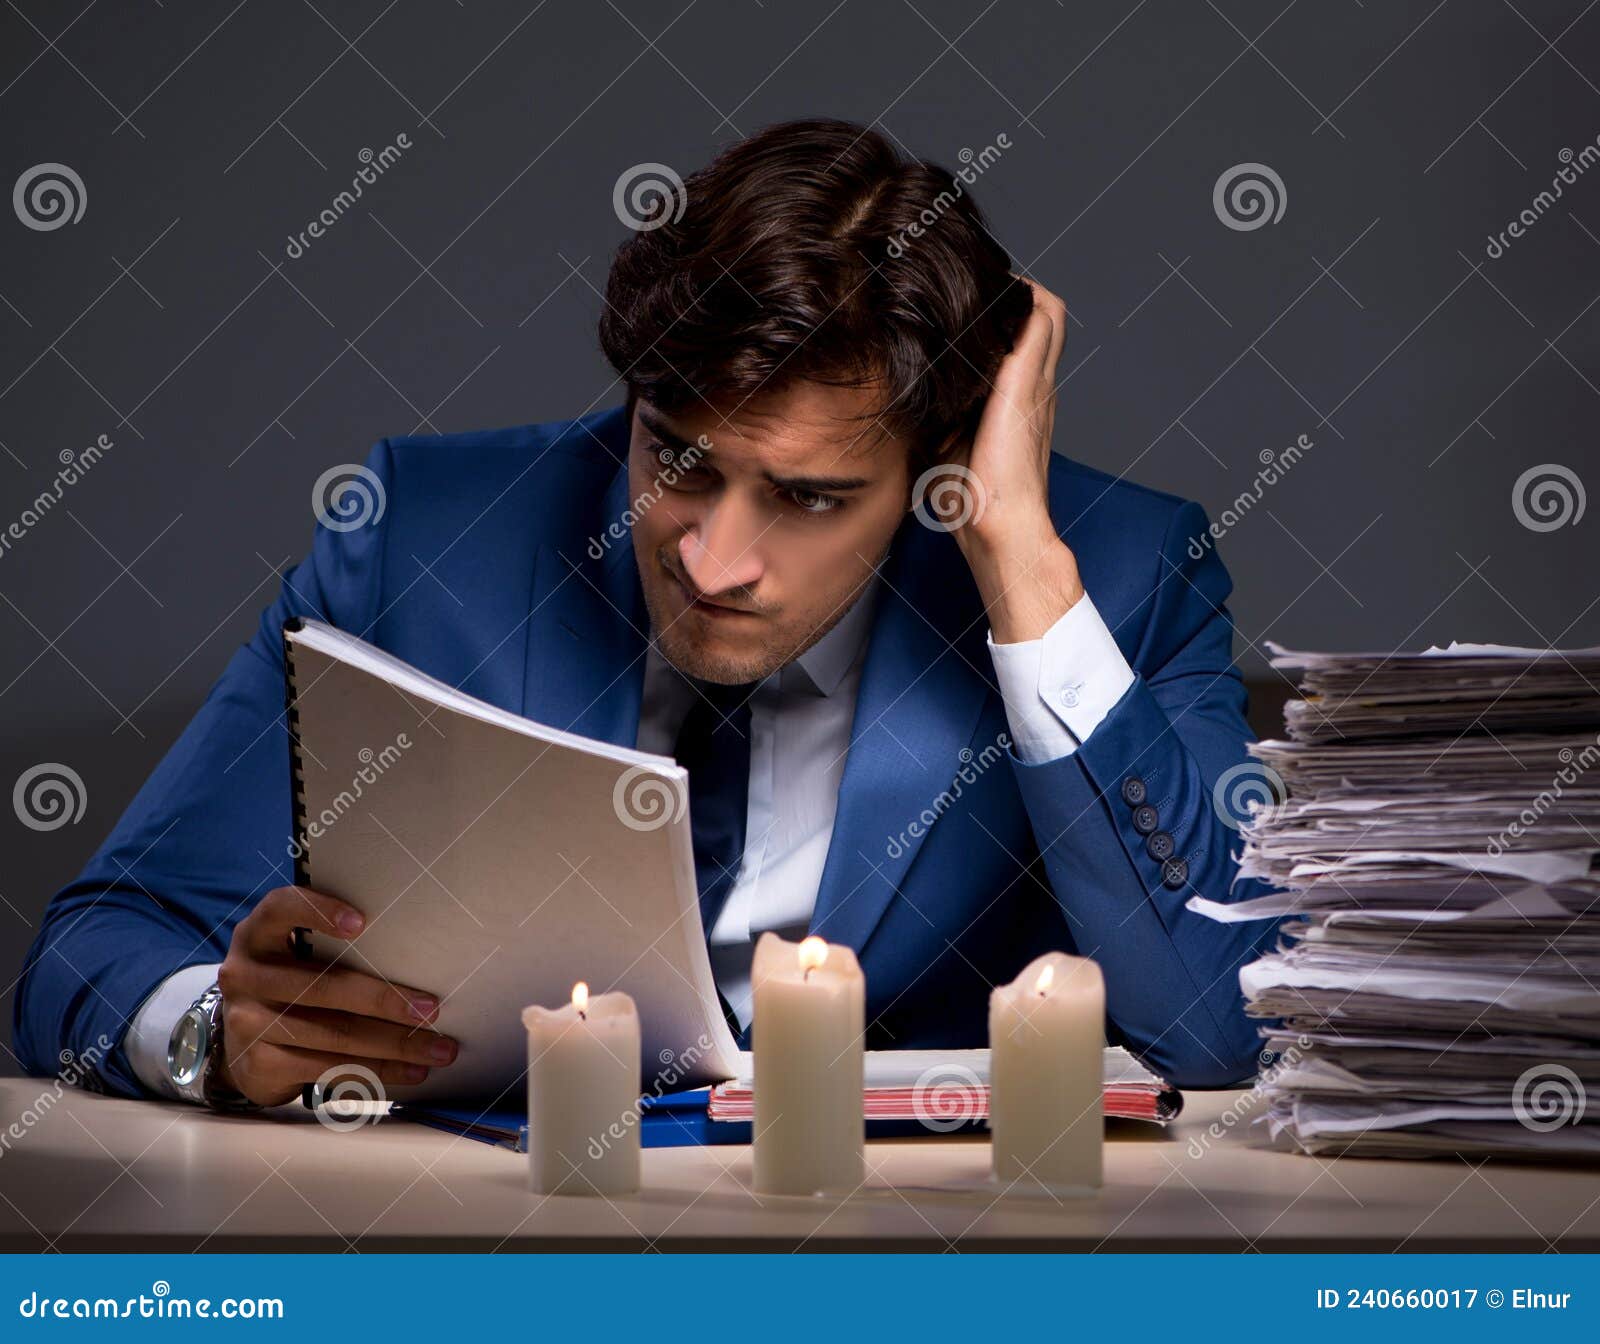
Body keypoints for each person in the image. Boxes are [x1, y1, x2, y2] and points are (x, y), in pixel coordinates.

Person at [14, 118, 1278, 1108]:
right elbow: (91, 947)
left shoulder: (1107, 577)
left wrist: (1020, 570)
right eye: (678, 460)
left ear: (938, 464)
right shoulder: (425, 539)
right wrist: (212, 1036)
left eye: (807, 497)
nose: (716, 560)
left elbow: (1220, 1027)